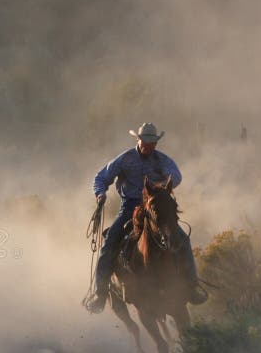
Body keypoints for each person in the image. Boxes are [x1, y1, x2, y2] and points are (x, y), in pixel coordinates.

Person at [85, 122, 207, 314]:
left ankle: (192, 287)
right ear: (138, 140)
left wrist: (160, 188)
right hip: (130, 206)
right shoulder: (125, 159)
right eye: (146, 142)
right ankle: (100, 294)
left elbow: (176, 175)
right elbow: (101, 177)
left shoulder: (161, 160)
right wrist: (100, 194)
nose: (149, 146)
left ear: (156, 143)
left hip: (157, 205)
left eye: (152, 143)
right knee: (109, 244)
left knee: (183, 239)